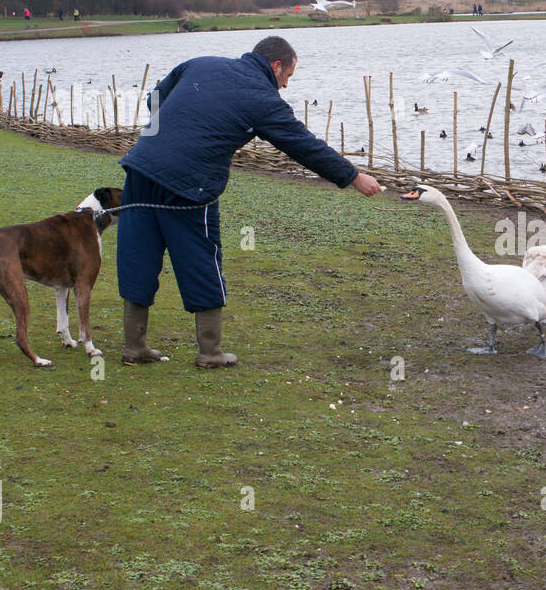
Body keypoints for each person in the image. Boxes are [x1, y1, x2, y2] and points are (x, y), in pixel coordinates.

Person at [117, 36, 382, 368]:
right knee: (201, 260)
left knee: (137, 253)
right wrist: (353, 176)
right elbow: (303, 145)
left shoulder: (202, 63)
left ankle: (134, 347)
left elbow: (156, 97)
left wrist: (171, 131)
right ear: (276, 66)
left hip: (140, 168)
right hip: (189, 186)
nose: (285, 86)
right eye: (287, 77)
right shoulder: (262, 99)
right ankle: (210, 353)